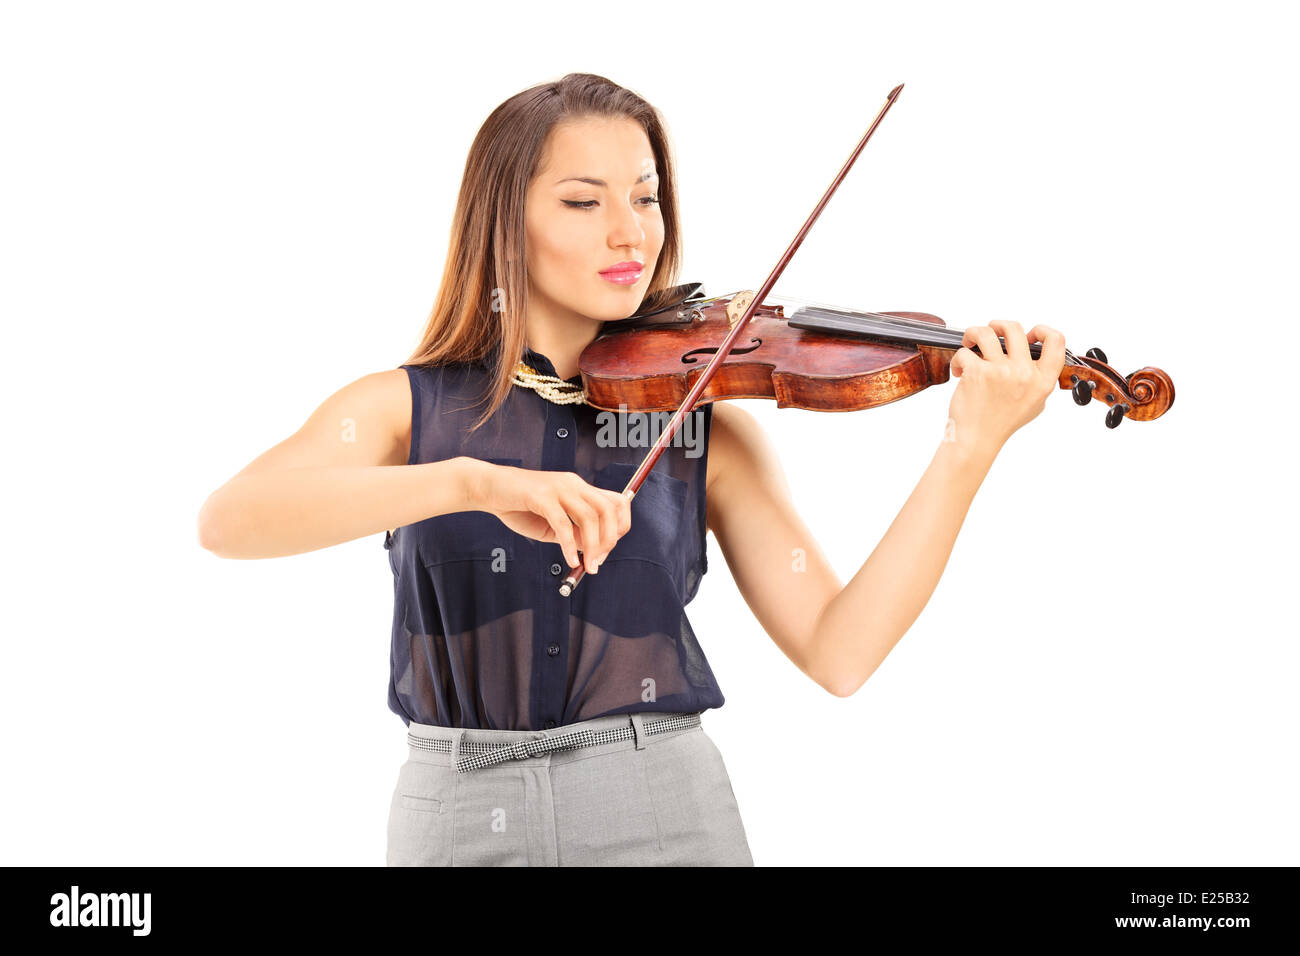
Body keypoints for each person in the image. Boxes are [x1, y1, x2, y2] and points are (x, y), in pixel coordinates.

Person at [197, 73, 1066, 867]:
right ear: (506, 219)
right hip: (454, 817)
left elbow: (841, 651)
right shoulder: (403, 408)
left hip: (660, 811)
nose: (631, 233)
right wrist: (476, 482)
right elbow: (232, 520)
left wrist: (970, 445)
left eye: (646, 198)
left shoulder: (702, 424)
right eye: (583, 201)